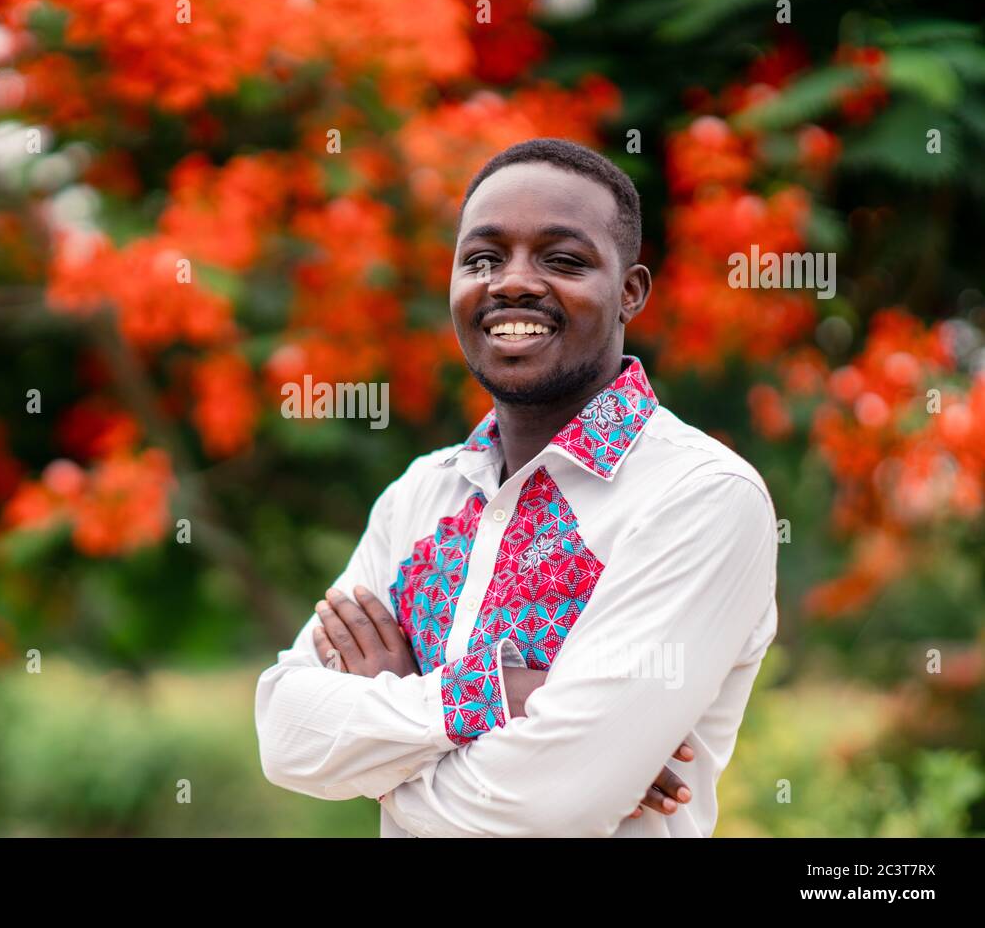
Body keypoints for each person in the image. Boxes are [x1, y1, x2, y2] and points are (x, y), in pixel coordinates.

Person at [255, 137, 779, 837]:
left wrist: (381, 763)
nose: (510, 282)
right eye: (482, 258)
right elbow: (286, 733)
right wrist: (490, 694)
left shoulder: (699, 496)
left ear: (631, 291)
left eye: (562, 259)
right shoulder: (419, 497)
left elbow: (546, 805)